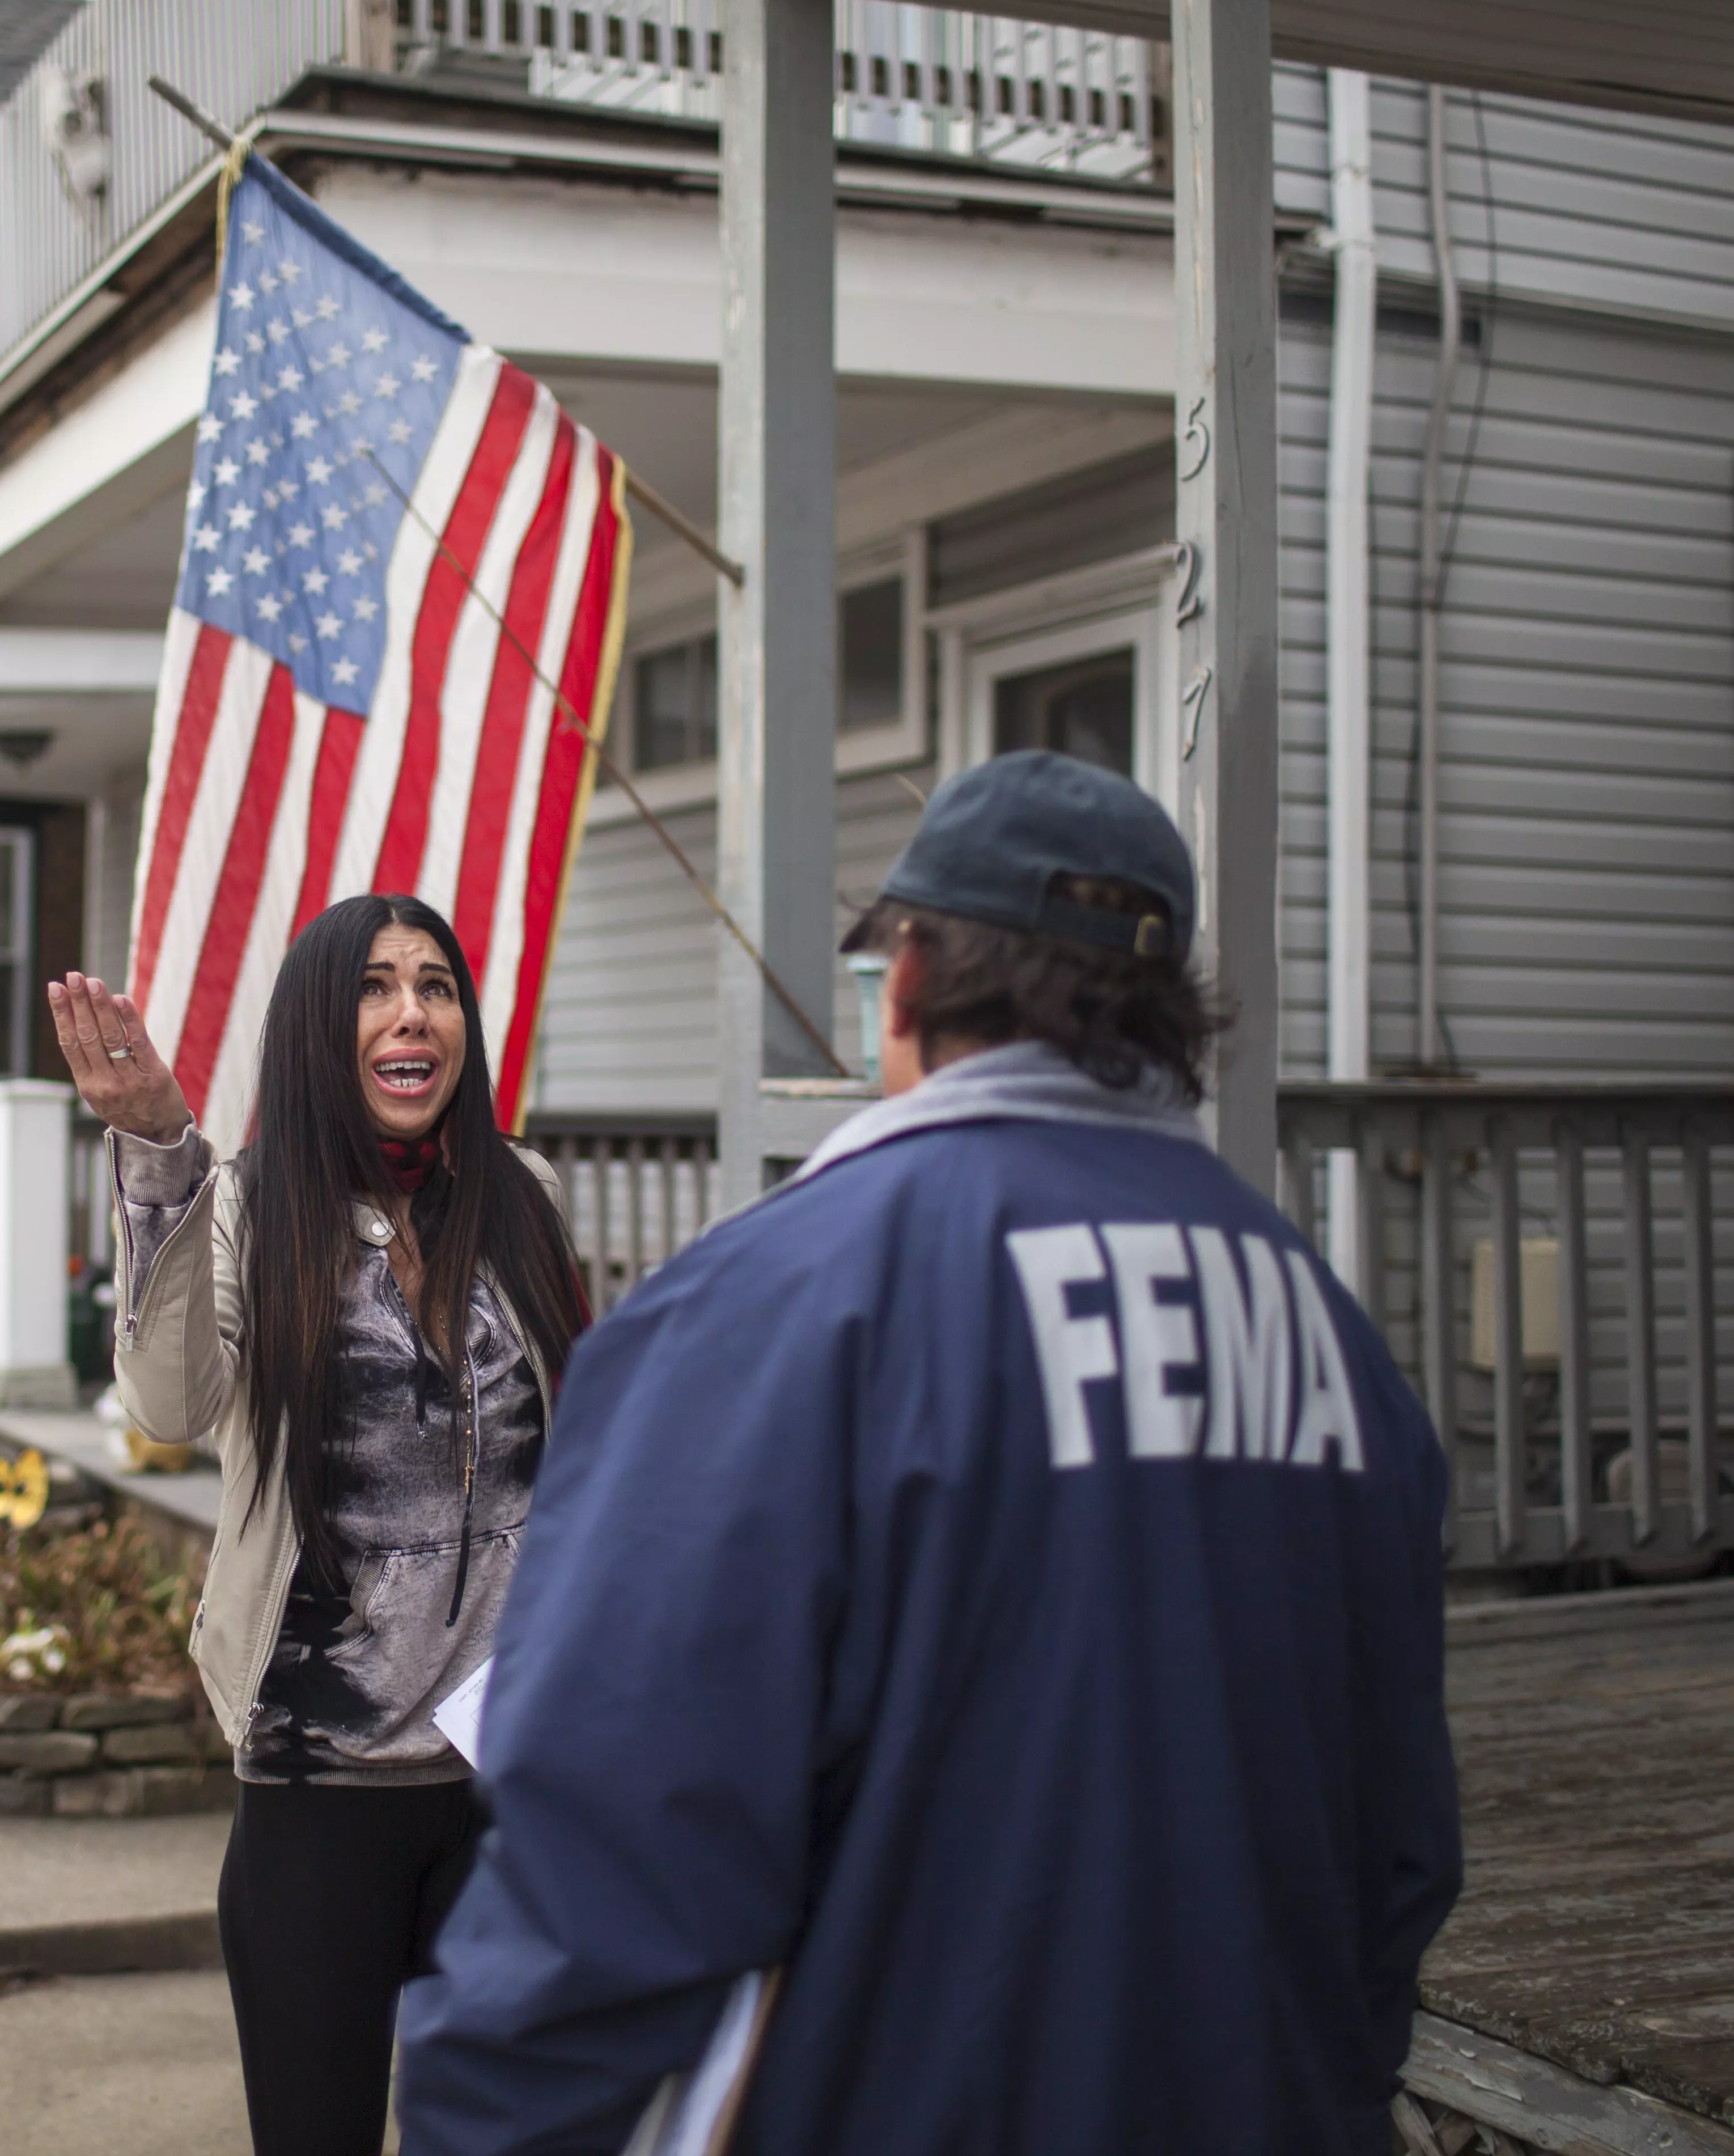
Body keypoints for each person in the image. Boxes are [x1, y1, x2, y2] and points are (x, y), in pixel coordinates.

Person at [396, 751, 1461, 2155]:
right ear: (1167, 1018)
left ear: (906, 982)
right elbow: (1399, 1853)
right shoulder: (1328, 1334)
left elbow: (611, 1846)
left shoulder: (770, 1303)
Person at [47, 893, 591, 2156]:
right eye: (376, 987)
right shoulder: (247, 1203)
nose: (413, 1013)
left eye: (437, 986)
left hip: (505, 1780)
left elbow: (577, 1439)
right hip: (317, 1780)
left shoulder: (527, 1196)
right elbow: (170, 1405)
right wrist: (162, 1158)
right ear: (315, 1027)